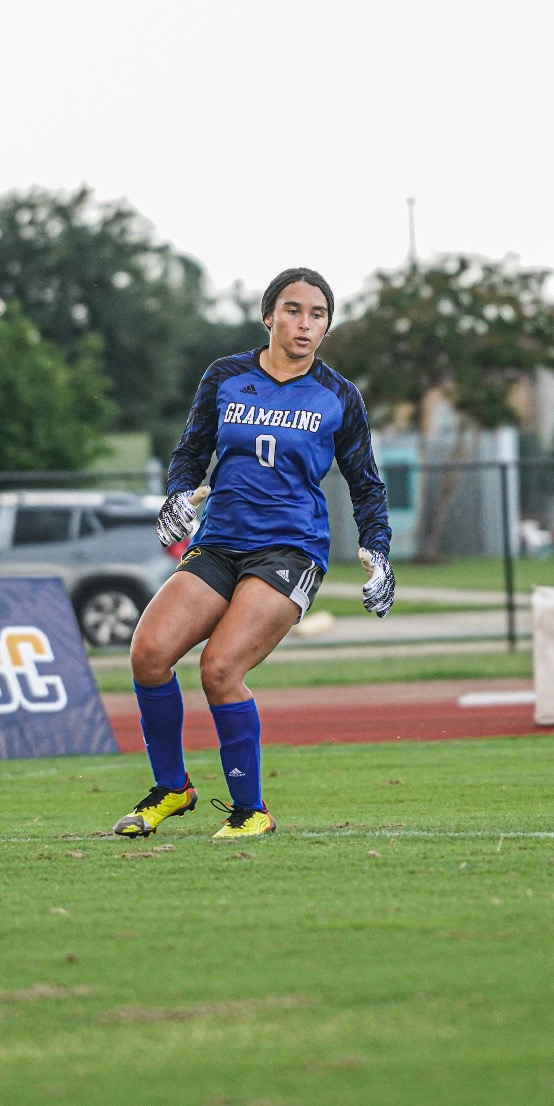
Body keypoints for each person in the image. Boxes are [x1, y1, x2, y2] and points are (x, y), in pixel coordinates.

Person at [116, 267, 393, 841]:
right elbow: (191, 451)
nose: (305, 324)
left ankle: (253, 811)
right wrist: (176, 497)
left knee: (219, 669)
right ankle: (172, 790)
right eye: (293, 310)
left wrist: (379, 552)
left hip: (290, 550)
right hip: (219, 542)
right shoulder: (226, 376)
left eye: (318, 315)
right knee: (148, 653)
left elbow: (366, 483)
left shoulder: (339, 396)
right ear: (268, 316)